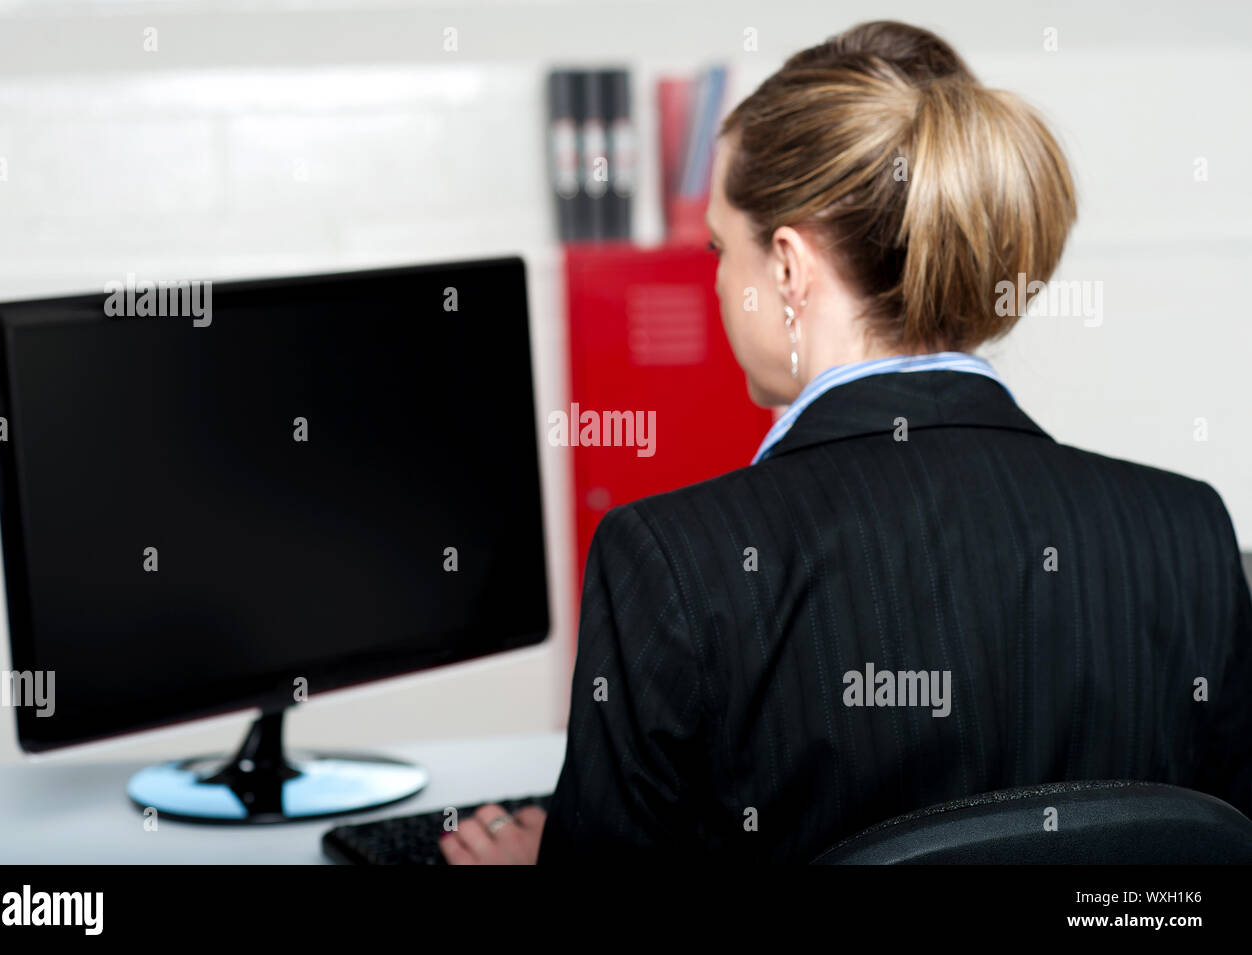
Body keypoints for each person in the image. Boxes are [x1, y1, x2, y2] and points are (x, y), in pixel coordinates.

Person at [440, 19, 1252, 865]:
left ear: (787, 267)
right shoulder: (1184, 532)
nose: (717, 279)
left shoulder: (669, 557)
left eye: (723, 247)